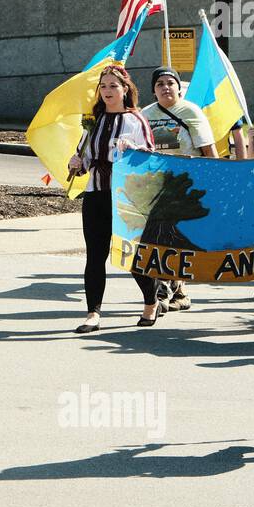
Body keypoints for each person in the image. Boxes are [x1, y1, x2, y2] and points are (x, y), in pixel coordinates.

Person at [67, 65, 159, 333]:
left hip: (125, 197)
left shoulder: (135, 120)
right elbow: (82, 159)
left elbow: (151, 160)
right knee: (95, 256)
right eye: (103, 86)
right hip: (95, 195)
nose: (108, 91)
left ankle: (151, 301)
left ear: (125, 89)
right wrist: (76, 163)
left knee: (129, 256)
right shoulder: (92, 120)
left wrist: (133, 152)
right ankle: (93, 313)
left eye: (113, 86)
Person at [140, 67, 215, 311]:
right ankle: (176, 291)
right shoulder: (145, 114)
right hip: (155, 185)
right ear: (153, 90)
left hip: (185, 183)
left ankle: (167, 291)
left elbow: (208, 149)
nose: (165, 87)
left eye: (170, 82)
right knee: (157, 237)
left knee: (171, 237)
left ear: (179, 87)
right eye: (160, 83)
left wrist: (216, 179)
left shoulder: (190, 111)